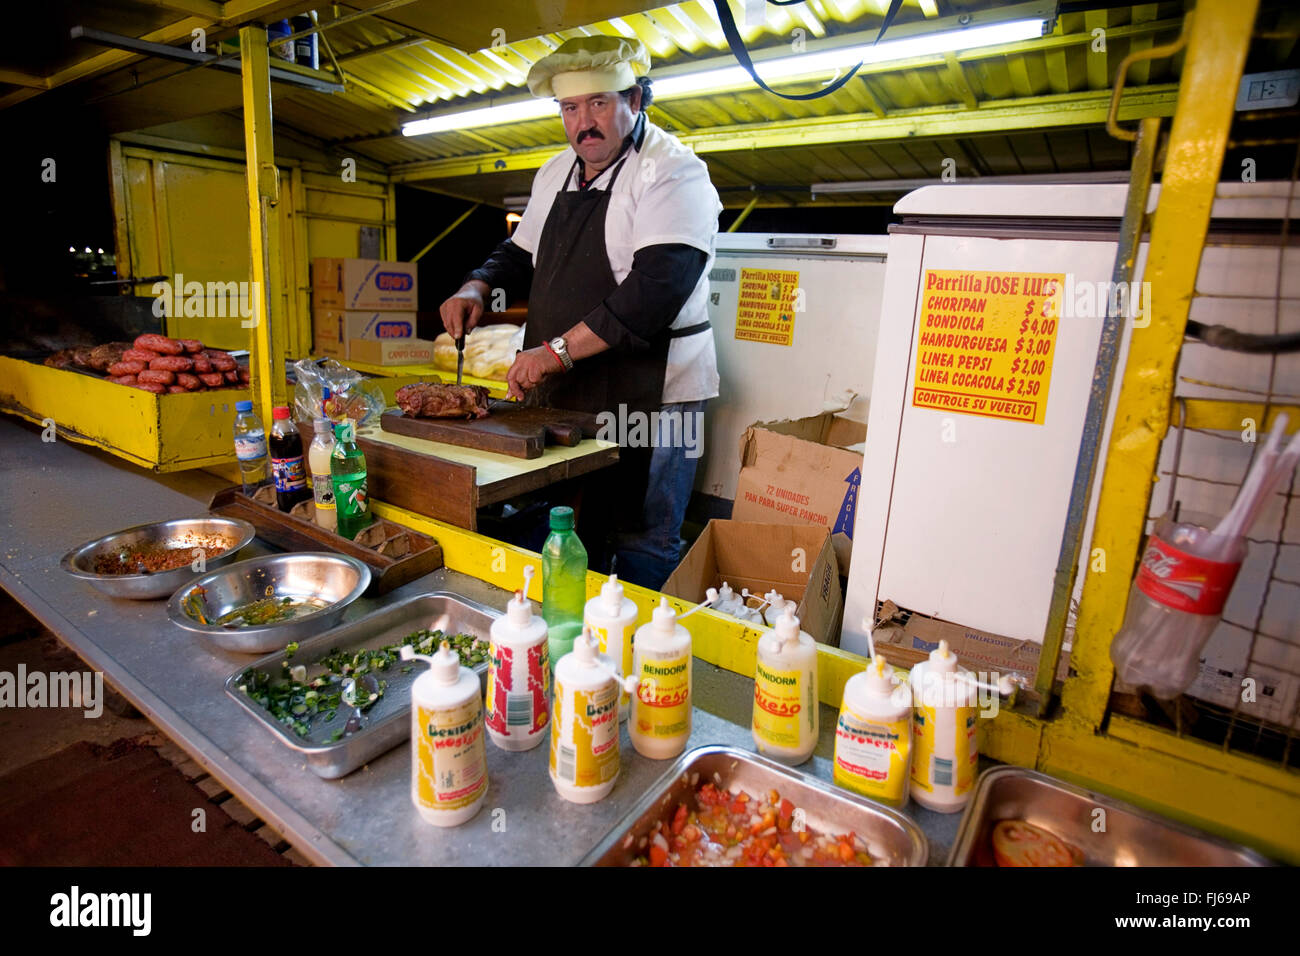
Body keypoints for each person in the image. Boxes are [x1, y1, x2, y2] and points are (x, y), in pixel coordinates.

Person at [440, 35, 721, 590]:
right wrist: (477, 285)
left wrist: (555, 351)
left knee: (642, 534)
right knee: (571, 524)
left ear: (635, 99)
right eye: (570, 108)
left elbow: (656, 291)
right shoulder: (555, 172)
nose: (582, 123)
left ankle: (645, 653)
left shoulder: (674, 172)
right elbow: (520, 252)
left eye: (598, 103)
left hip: (657, 391)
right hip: (573, 387)